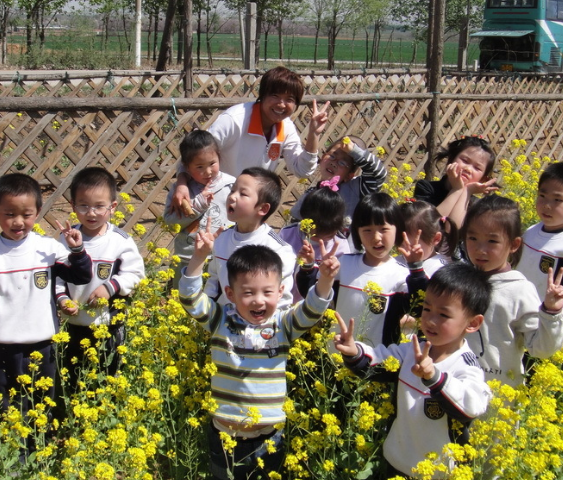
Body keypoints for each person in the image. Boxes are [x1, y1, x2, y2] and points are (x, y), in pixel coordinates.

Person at [179, 237, 339, 480]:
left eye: (267, 292)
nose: (259, 300)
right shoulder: (220, 320)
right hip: (223, 434)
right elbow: (190, 299)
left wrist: (325, 280)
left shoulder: (283, 324)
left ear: (280, 291)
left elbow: (312, 310)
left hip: (268, 437)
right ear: (230, 294)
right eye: (248, 293)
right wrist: (199, 258)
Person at [334, 262, 493, 478]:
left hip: (438, 473)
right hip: (397, 462)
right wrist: (354, 351)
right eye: (427, 308)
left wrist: (434, 377)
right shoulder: (412, 349)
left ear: (472, 323)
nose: (430, 320)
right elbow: (379, 361)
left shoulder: (466, 365)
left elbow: (472, 406)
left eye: (443, 315)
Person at [171, 66, 330, 214]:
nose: (281, 104)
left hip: (250, 208)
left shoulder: (286, 127)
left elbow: (302, 170)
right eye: (275, 96)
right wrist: (182, 184)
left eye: (289, 99)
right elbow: (194, 154)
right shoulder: (233, 121)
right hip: (215, 203)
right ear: (262, 95)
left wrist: (314, 134)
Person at [0, 173, 92, 414]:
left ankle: (41, 449)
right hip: (3, 347)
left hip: (43, 344)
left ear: (38, 212)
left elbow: (81, 276)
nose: (18, 222)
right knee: (7, 407)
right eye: (9, 214)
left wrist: (77, 251)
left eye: (26, 215)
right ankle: (15, 452)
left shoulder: (47, 249)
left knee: (42, 405)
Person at [297, 192, 425, 346]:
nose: (376, 237)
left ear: (397, 229)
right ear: (357, 233)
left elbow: (420, 309)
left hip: (376, 362)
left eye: (384, 229)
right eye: (367, 230)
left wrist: (416, 270)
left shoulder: (402, 275)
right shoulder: (343, 264)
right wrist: (311, 268)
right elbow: (311, 295)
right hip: (334, 355)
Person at [56, 167, 145, 387]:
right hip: (73, 324)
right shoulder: (65, 239)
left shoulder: (120, 241)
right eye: (83, 206)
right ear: (73, 206)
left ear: (112, 207)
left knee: (108, 376)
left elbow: (135, 273)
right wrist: (62, 299)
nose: (91, 213)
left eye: (99, 206)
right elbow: (56, 276)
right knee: (73, 377)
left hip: (108, 324)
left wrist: (110, 287)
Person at [462, 194, 563, 386]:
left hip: (498, 400)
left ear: (514, 245)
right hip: (456, 390)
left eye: (492, 241)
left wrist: (551, 311)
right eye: (472, 238)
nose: (480, 249)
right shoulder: (460, 280)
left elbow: (540, 348)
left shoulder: (519, 290)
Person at [204, 167, 296, 309]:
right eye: (233, 190)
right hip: (224, 323)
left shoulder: (278, 250)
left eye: (243, 194)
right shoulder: (222, 239)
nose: (232, 197)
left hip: (259, 325)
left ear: (262, 209)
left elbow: (282, 300)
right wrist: (207, 311)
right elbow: (214, 281)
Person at [163, 130, 235, 287]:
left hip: (220, 258)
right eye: (199, 167)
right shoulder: (181, 191)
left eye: (212, 164)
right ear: (186, 168)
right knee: (182, 302)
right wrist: (196, 207)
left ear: (219, 157)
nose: (208, 172)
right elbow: (169, 223)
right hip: (186, 258)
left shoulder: (231, 185)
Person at [279, 185, 350, 302]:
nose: (322, 240)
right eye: (316, 235)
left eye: (329, 235)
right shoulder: (287, 234)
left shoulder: (340, 246)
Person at [414, 135, 498, 228]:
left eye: (477, 168)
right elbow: (430, 226)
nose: (468, 169)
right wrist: (457, 189)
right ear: (451, 159)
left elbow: (452, 232)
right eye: (465, 161)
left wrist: (466, 191)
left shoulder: (477, 205)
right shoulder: (426, 188)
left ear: (482, 179)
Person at [517, 161, 563, 297]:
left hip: (546, 313)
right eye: (542, 196)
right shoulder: (530, 231)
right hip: (519, 305)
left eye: (557, 200)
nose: (547, 205)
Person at [397, 200, 458, 277]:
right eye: (401, 244)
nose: (405, 251)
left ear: (436, 239)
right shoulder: (395, 262)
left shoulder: (441, 270)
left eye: (412, 246)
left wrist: (415, 268)